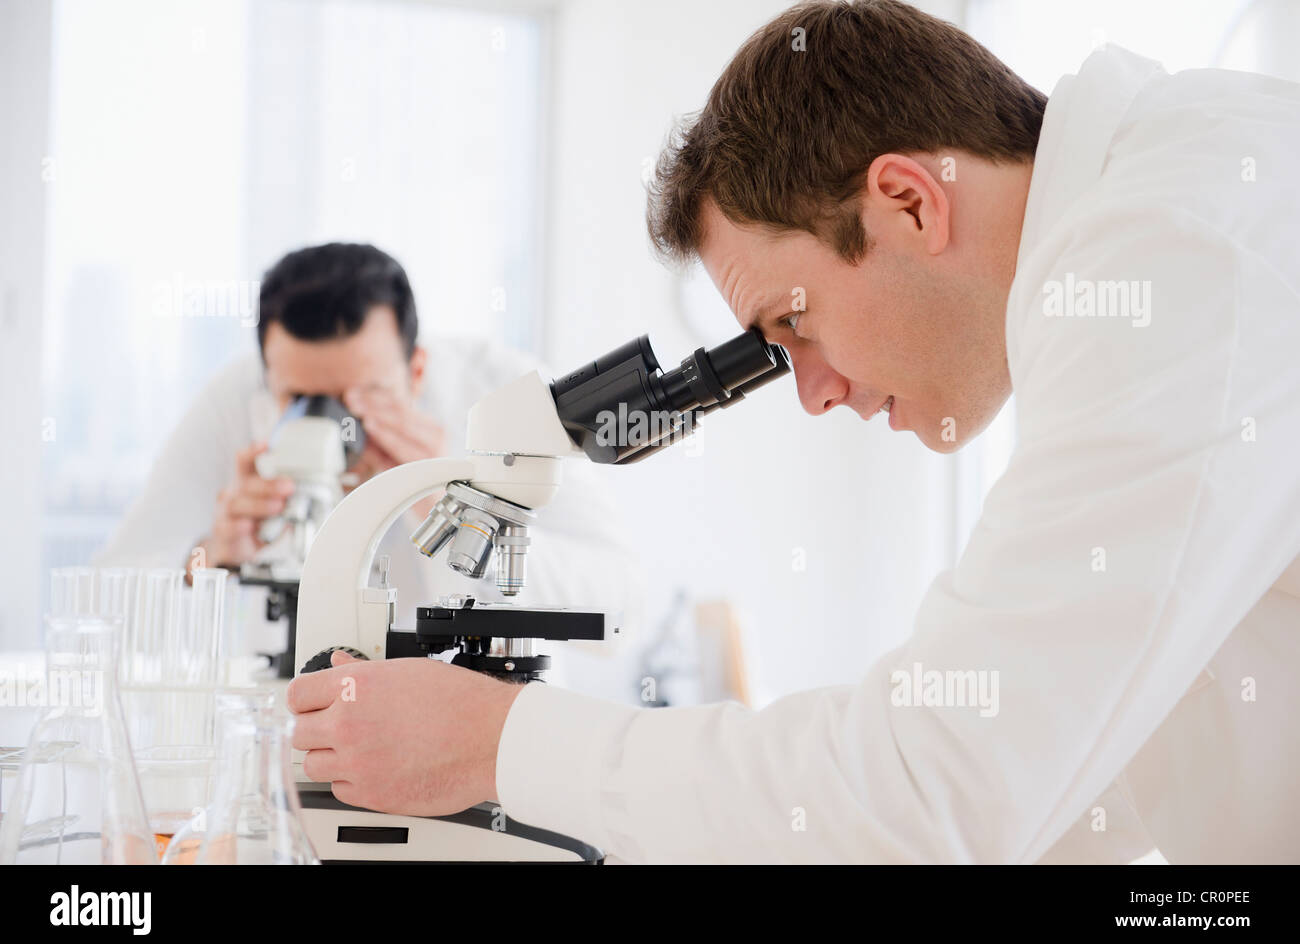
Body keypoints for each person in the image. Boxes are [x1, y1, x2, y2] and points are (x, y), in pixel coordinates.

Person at [287, 1, 1300, 862]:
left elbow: (934, 782)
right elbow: (1064, 778)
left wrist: (498, 742)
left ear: (908, 201)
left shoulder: (1175, 256)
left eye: (791, 325)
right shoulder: (1156, 221)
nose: (811, 395)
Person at [96, 242, 637, 659]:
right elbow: (107, 610)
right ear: (265, 379)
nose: (339, 427)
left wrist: (456, 510)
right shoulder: (234, 404)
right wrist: (213, 557)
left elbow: (618, 608)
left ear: (417, 370)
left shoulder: (504, 394)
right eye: (304, 401)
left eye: (365, 396)